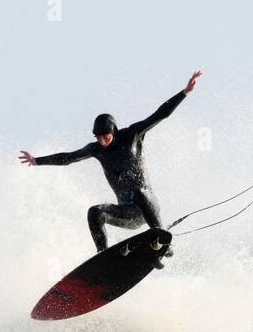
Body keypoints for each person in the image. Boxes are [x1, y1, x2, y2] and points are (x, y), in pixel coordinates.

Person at [20, 70, 202, 266]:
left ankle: (162, 240)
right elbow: (68, 158)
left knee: (138, 193)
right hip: (127, 215)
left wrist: (185, 92)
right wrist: (37, 160)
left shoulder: (132, 136)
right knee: (95, 212)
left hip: (147, 209)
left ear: (113, 131)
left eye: (105, 137)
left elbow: (160, 114)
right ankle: (103, 258)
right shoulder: (96, 149)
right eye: (98, 138)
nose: (102, 141)